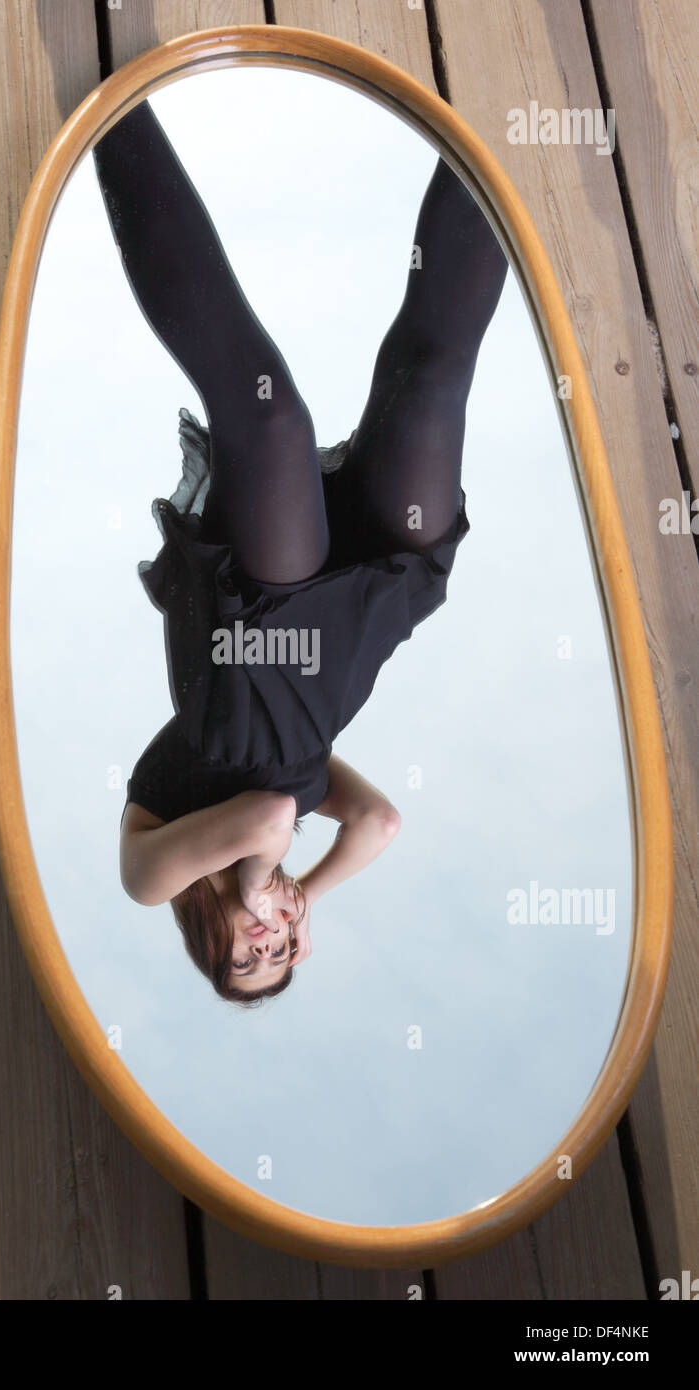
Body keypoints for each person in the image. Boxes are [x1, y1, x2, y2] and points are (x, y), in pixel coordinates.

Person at [94, 99, 508, 1005]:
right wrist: (309, 893)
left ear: (205, 944)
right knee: (432, 379)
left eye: (242, 959)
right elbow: (379, 821)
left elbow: (269, 816)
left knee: (270, 414)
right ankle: (496, 113)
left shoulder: (150, 873)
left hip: (259, 628)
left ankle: (109, 111)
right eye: (283, 948)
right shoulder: (304, 811)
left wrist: (259, 880)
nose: (265, 937)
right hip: (358, 617)